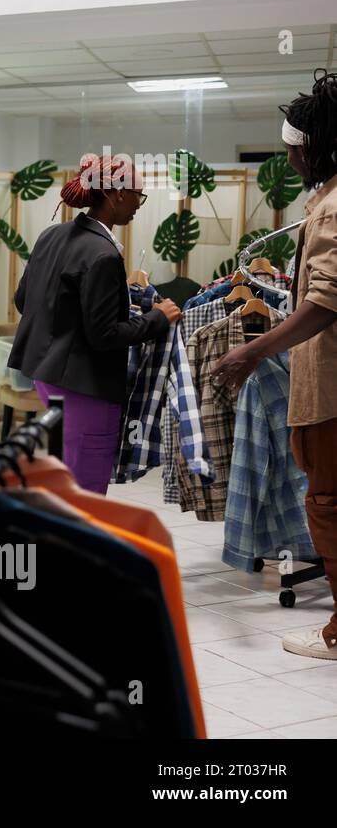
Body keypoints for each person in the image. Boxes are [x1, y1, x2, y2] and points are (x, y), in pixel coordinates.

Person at [213, 69, 337, 661]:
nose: (288, 161)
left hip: (331, 392)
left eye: (293, 150)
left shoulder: (334, 207)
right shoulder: (327, 200)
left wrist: (253, 350)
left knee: (327, 505)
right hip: (323, 386)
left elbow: (326, 300)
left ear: (315, 145)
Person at [8, 152, 182, 494]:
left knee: (64, 468)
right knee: (85, 486)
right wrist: (156, 318)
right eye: (138, 195)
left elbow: (23, 301)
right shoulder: (103, 254)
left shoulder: (51, 236)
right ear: (117, 193)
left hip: (46, 377)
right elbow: (104, 335)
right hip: (85, 387)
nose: (139, 204)